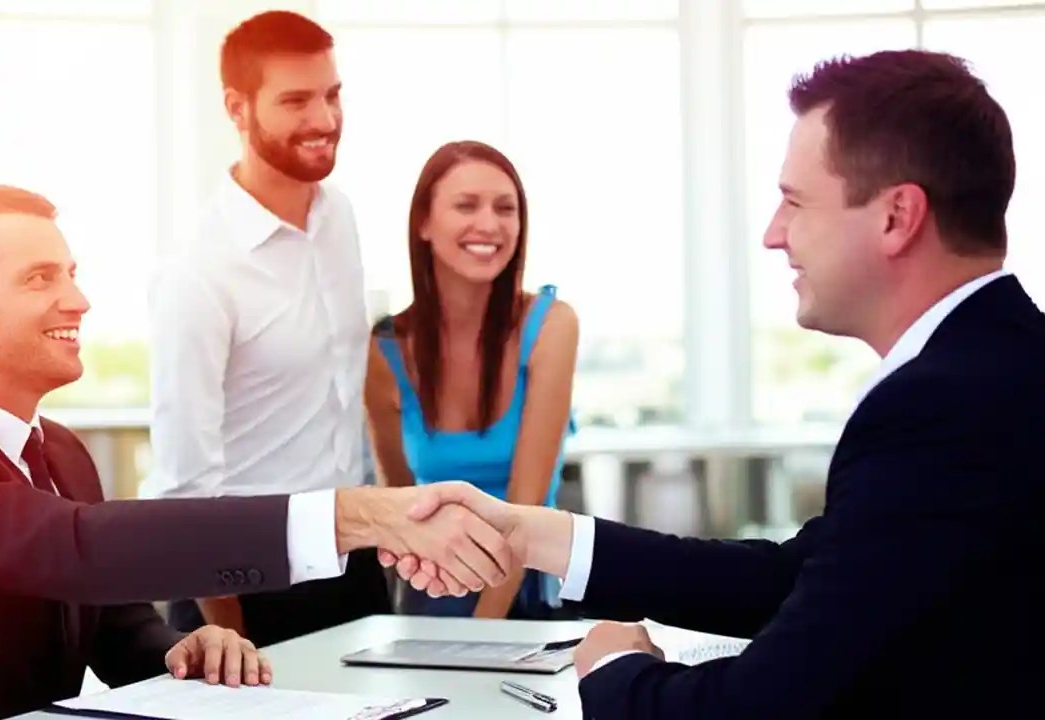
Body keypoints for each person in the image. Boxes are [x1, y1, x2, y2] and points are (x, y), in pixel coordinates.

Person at [388, 49, 1044, 718]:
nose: (771, 234)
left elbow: (757, 706)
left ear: (896, 217)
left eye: (794, 202)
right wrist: (535, 537)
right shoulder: (992, 369)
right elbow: (795, 578)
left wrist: (613, 667)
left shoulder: (945, 406)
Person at [0, 184, 513, 720]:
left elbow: (115, 624)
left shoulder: (60, 453)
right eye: (40, 279)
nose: (79, 300)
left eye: (71, 273)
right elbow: (74, 551)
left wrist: (179, 649)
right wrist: (357, 516)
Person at [141, 10, 392, 647]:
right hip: (244, 580)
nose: (325, 119)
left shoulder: (342, 219)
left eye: (332, 95)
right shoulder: (198, 267)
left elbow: (347, 389)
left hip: (349, 559)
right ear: (237, 108)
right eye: (296, 100)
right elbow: (183, 490)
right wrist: (234, 637)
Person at [364, 140, 578, 620]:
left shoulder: (551, 325)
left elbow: (527, 511)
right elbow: (398, 509)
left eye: (506, 209)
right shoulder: (384, 350)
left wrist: (481, 635)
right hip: (430, 599)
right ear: (423, 223)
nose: (489, 224)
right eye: (466, 205)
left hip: (528, 597)